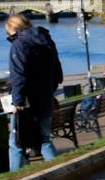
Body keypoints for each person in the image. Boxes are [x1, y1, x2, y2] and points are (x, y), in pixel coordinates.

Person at [5, 13, 64, 171]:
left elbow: (19, 76)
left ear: (12, 28)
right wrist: (50, 91)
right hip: (45, 97)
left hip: (28, 100)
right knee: (43, 139)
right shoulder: (47, 41)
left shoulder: (18, 45)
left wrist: (17, 102)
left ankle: (14, 177)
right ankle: (60, 169)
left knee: (16, 142)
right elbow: (57, 70)